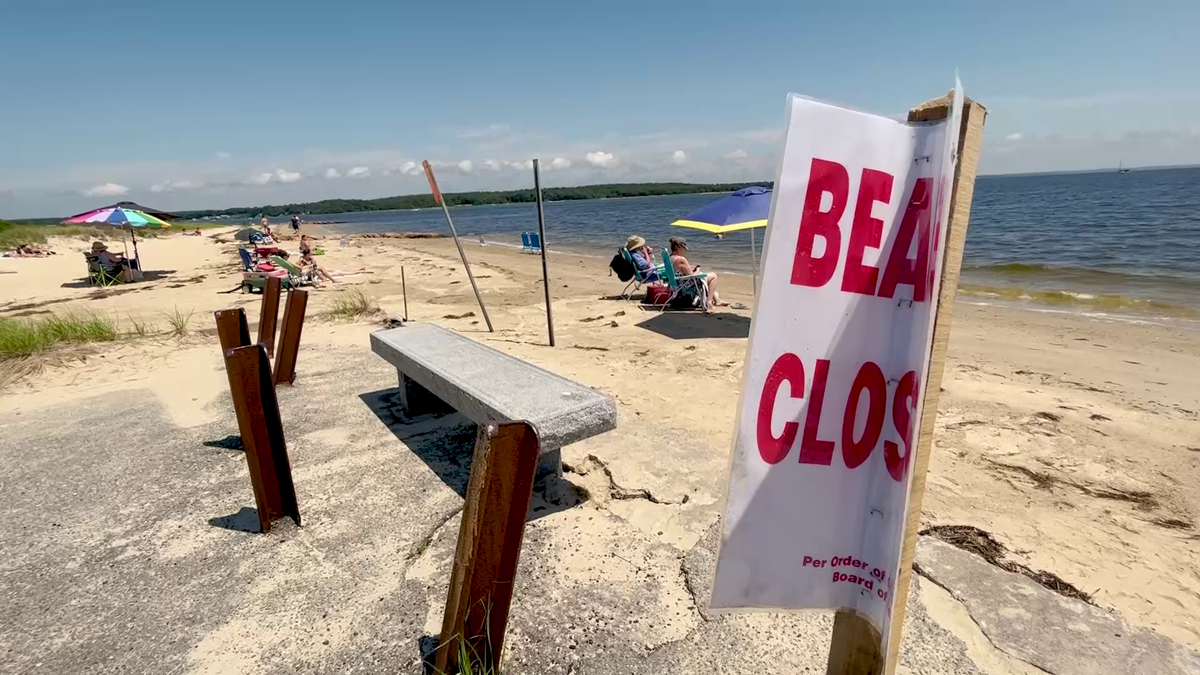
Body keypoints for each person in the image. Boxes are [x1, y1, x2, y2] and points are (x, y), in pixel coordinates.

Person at [668, 236, 720, 310]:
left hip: (676, 284)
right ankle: (709, 302)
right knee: (714, 276)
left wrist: (690, 268)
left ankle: (717, 300)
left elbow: (680, 269)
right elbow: (693, 276)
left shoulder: (671, 257)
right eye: (683, 248)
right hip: (685, 285)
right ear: (678, 247)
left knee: (707, 277)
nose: (684, 251)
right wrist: (697, 269)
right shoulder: (681, 259)